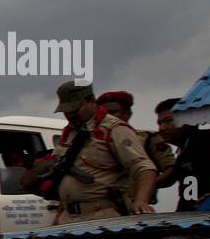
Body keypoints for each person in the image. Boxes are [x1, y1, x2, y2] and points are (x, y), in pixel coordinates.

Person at [31, 82, 156, 222]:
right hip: (69, 216)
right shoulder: (71, 132)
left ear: (91, 101)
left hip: (103, 215)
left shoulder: (114, 129)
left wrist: (141, 201)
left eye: (74, 109)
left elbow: (144, 167)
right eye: (66, 111)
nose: (70, 115)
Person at [96, 90, 177, 202]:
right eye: (104, 113)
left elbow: (171, 171)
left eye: (113, 112)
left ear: (127, 114)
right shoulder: (94, 142)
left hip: (134, 208)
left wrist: (142, 189)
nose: (108, 117)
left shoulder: (147, 139)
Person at [155, 97, 210, 211]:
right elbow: (188, 198)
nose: (161, 128)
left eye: (168, 121)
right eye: (159, 123)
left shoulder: (209, 142)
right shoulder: (184, 152)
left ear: (188, 120)